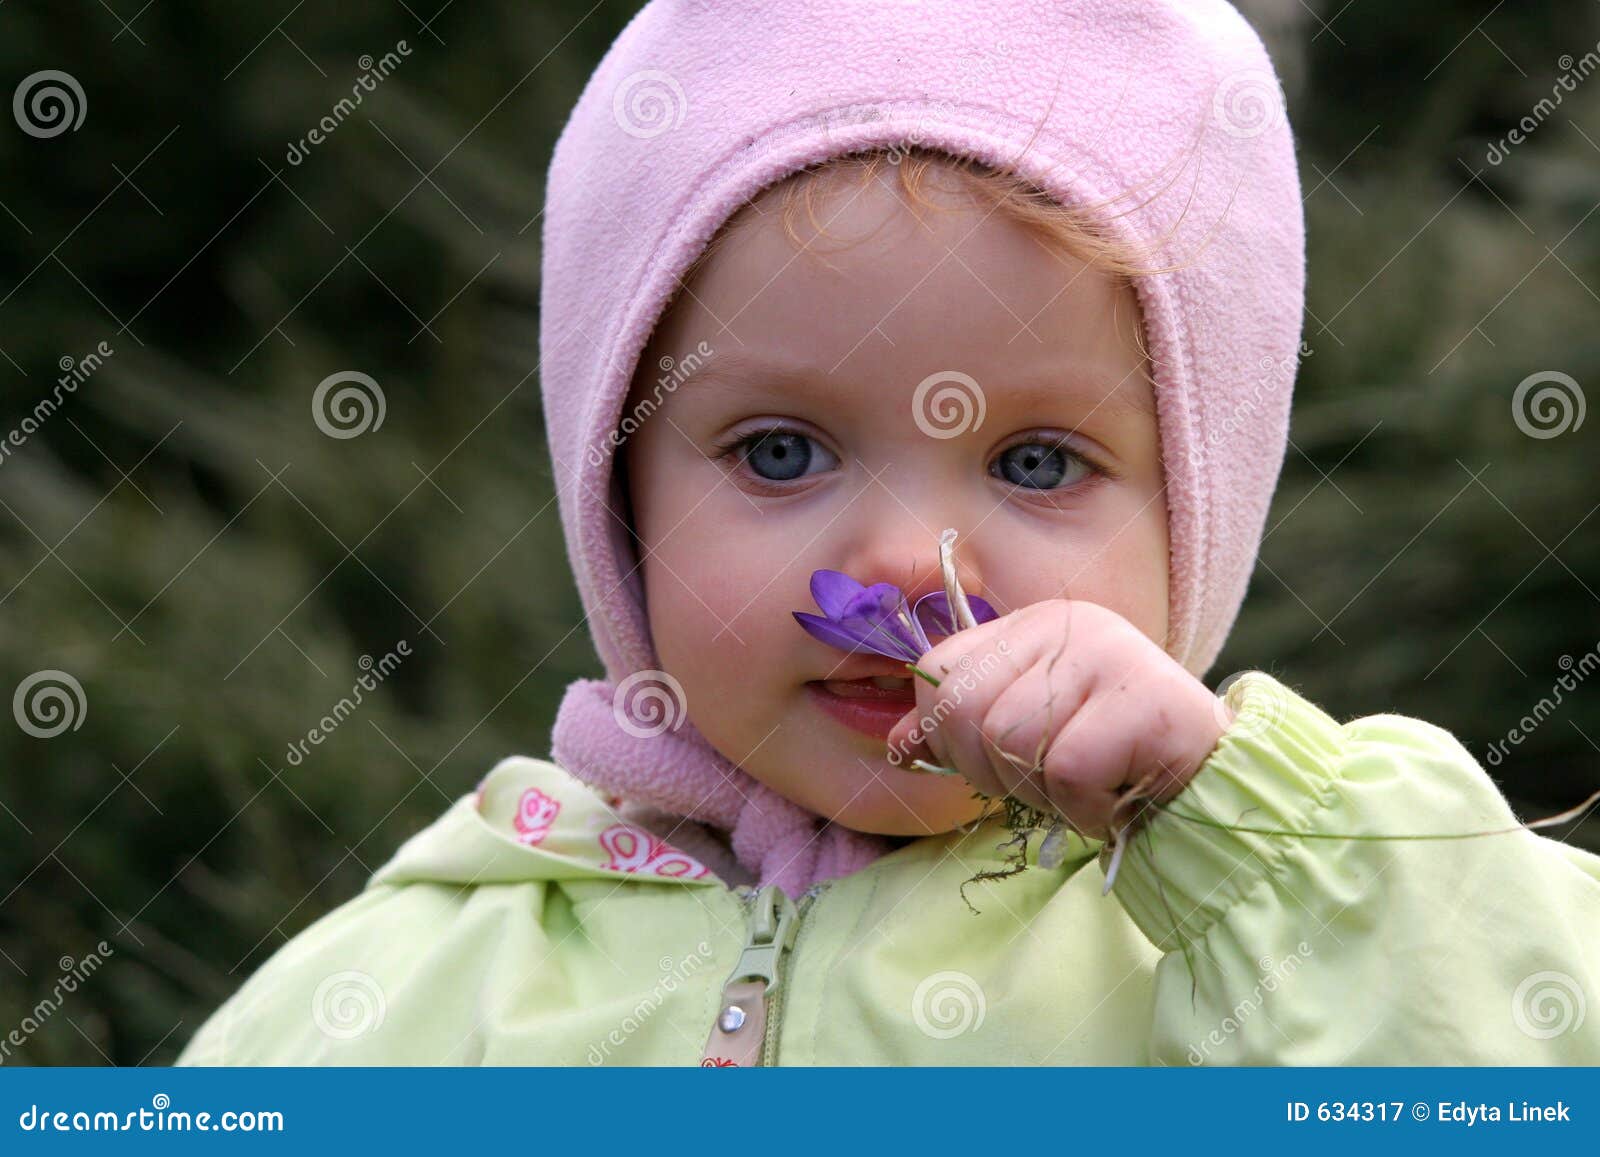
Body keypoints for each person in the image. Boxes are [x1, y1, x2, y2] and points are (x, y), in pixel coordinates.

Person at [177, 0, 1600, 1066]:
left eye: (1038, 460)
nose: (911, 562)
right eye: (781, 451)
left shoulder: (1263, 931)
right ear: (619, 496)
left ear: (1199, 515)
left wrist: (1244, 834)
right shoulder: (417, 986)